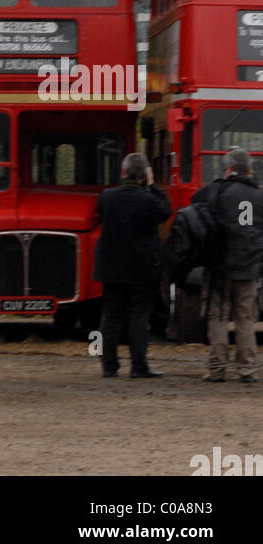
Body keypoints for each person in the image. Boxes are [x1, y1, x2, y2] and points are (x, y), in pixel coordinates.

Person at [94, 152, 171, 379]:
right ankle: (139, 366)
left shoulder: (106, 197)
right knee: (139, 316)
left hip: (111, 265)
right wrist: (153, 185)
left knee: (111, 315)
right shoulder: (148, 200)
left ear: (123, 172)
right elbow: (166, 210)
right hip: (141, 266)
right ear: (144, 175)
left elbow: (100, 215)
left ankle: (109, 366)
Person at [192, 147, 263, 384]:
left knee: (218, 317)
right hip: (249, 267)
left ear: (229, 168)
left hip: (220, 266)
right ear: (250, 170)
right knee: (246, 318)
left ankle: (217, 368)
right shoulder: (259, 195)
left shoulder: (218, 190)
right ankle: (247, 369)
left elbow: (196, 205)